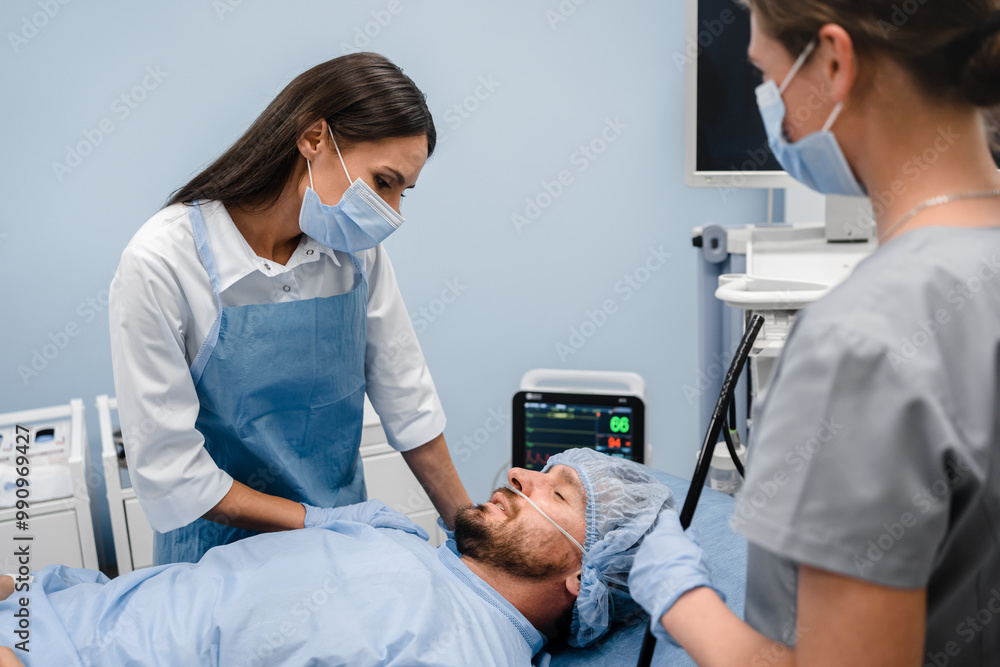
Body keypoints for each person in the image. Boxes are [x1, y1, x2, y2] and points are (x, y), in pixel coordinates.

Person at [629, 1, 1000, 665]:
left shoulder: (861, 341)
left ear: (834, 61)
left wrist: (679, 594)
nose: (769, 103)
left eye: (766, 74)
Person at [108, 52, 472, 565]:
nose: (391, 213)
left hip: (341, 551)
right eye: (384, 182)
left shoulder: (355, 250)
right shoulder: (163, 262)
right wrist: (320, 522)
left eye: (403, 192)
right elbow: (173, 473)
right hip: (215, 562)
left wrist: (469, 528)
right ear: (314, 138)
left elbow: (407, 399)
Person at [0, 449, 671, 666]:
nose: (520, 474)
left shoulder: (463, 651)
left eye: (557, 491)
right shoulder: (401, 538)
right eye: (541, 470)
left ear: (584, 578)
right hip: (46, 606)